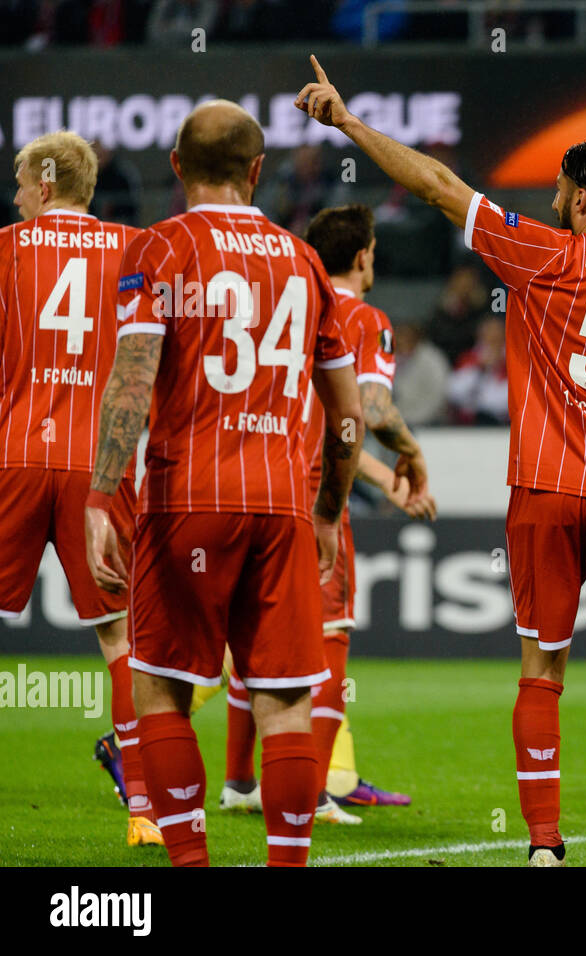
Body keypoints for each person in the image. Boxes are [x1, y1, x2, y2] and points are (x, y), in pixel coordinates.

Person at [296, 55, 586, 866]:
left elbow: (440, 186)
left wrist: (349, 124)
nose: (552, 198)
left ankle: (545, 849)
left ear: (580, 197)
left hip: (545, 488)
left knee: (541, 667)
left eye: (558, 188)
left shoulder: (541, 253)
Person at [85, 99, 364, 867]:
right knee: (284, 702)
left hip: (187, 501)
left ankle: (192, 863)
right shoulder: (304, 260)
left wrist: (102, 495)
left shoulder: (160, 247)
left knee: (161, 692)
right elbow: (346, 415)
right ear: (257, 170)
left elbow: (131, 383)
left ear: (175, 167)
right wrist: (330, 512)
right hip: (280, 504)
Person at [219, 203, 433, 820]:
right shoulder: (365, 319)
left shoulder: (283, 305)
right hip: (316, 503)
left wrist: (379, 474)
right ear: (365, 256)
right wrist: (410, 452)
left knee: (253, 640)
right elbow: (368, 409)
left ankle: (238, 783)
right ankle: (311, 795)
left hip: (256, 484)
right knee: (330, 635)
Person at [0, 130, 160, 848]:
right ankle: (146, 813)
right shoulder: (137, 250)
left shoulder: (6, 250)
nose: (13, 198)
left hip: (14, 453)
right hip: (103, 465)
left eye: (17, 184)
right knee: (122, 636)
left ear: (43, 185)